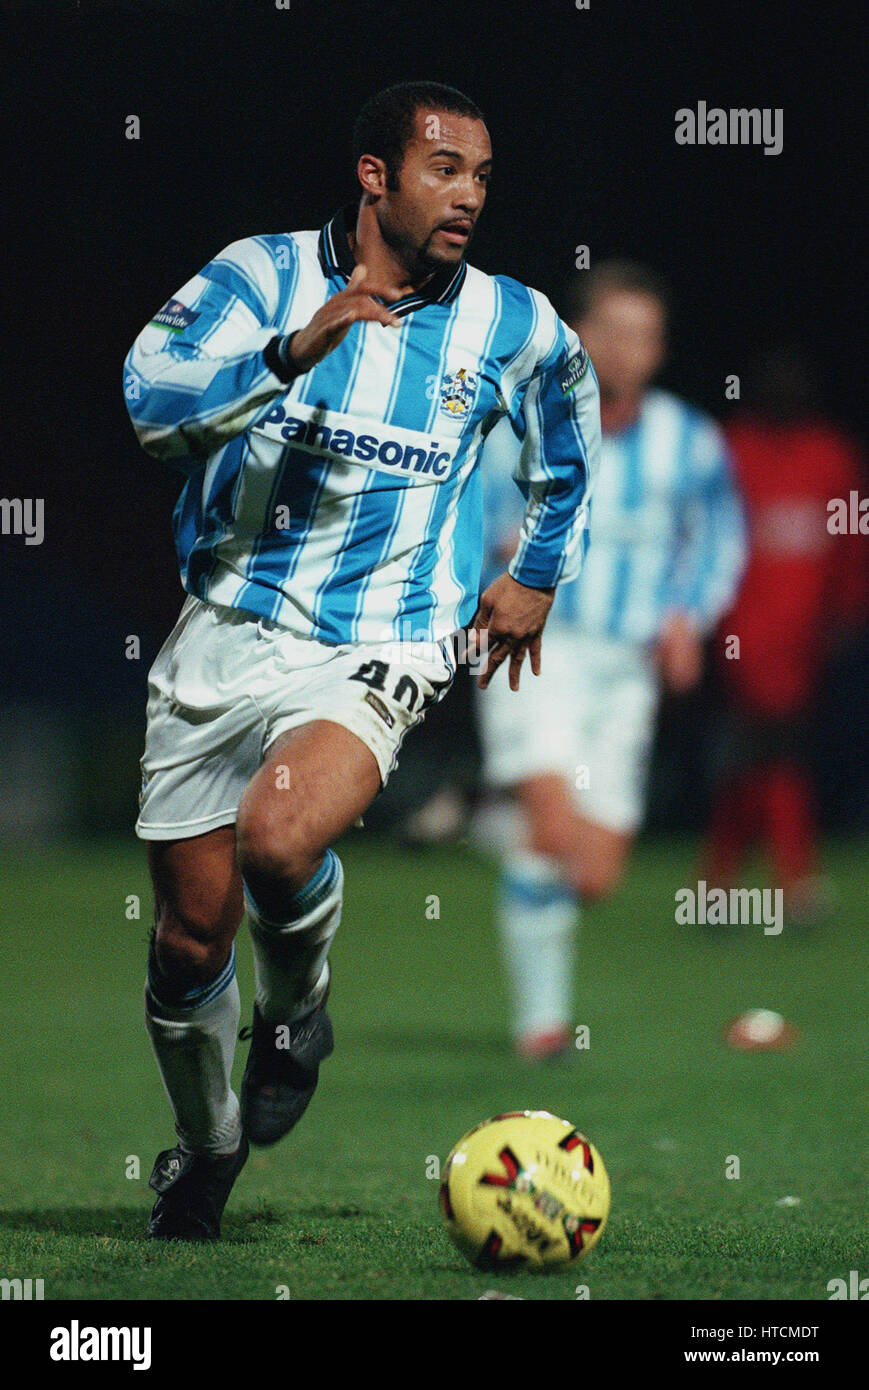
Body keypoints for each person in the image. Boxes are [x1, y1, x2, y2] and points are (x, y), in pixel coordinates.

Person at [123, 81, 600, 1239]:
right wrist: (292, 351)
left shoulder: (510, 323)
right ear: (373, 176)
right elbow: (150, 399)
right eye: (444, 169)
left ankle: (297, 1010)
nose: (469, 195)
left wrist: (537, 572)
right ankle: (211, 1140)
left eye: (482, 174)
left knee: (280, 837)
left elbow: (568, 425)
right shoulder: (258, 277)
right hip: (223, 632)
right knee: (190, 936)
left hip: (385, 636)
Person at [475, 260, 745, 1059]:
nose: (629, 349)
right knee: (553, 839)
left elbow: (719, 538)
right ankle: (542, 1026)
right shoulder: (520, 424)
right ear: (582, 336)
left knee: (590, 875)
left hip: (624, 671)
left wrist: (686, 619)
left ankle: (481, 815)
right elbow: (468, 520)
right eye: (614, 330)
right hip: (537, 652)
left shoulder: (687, 440)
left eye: (646, 335)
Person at [702, 344, 867, 921]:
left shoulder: (832, 456)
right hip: (744, 635)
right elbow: (704, 536)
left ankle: (723, 884)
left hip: (804, 639)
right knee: (773, 751)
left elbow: (852, 544)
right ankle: (791, 881)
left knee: (760, 755)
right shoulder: (732, 450)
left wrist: (847, 614)